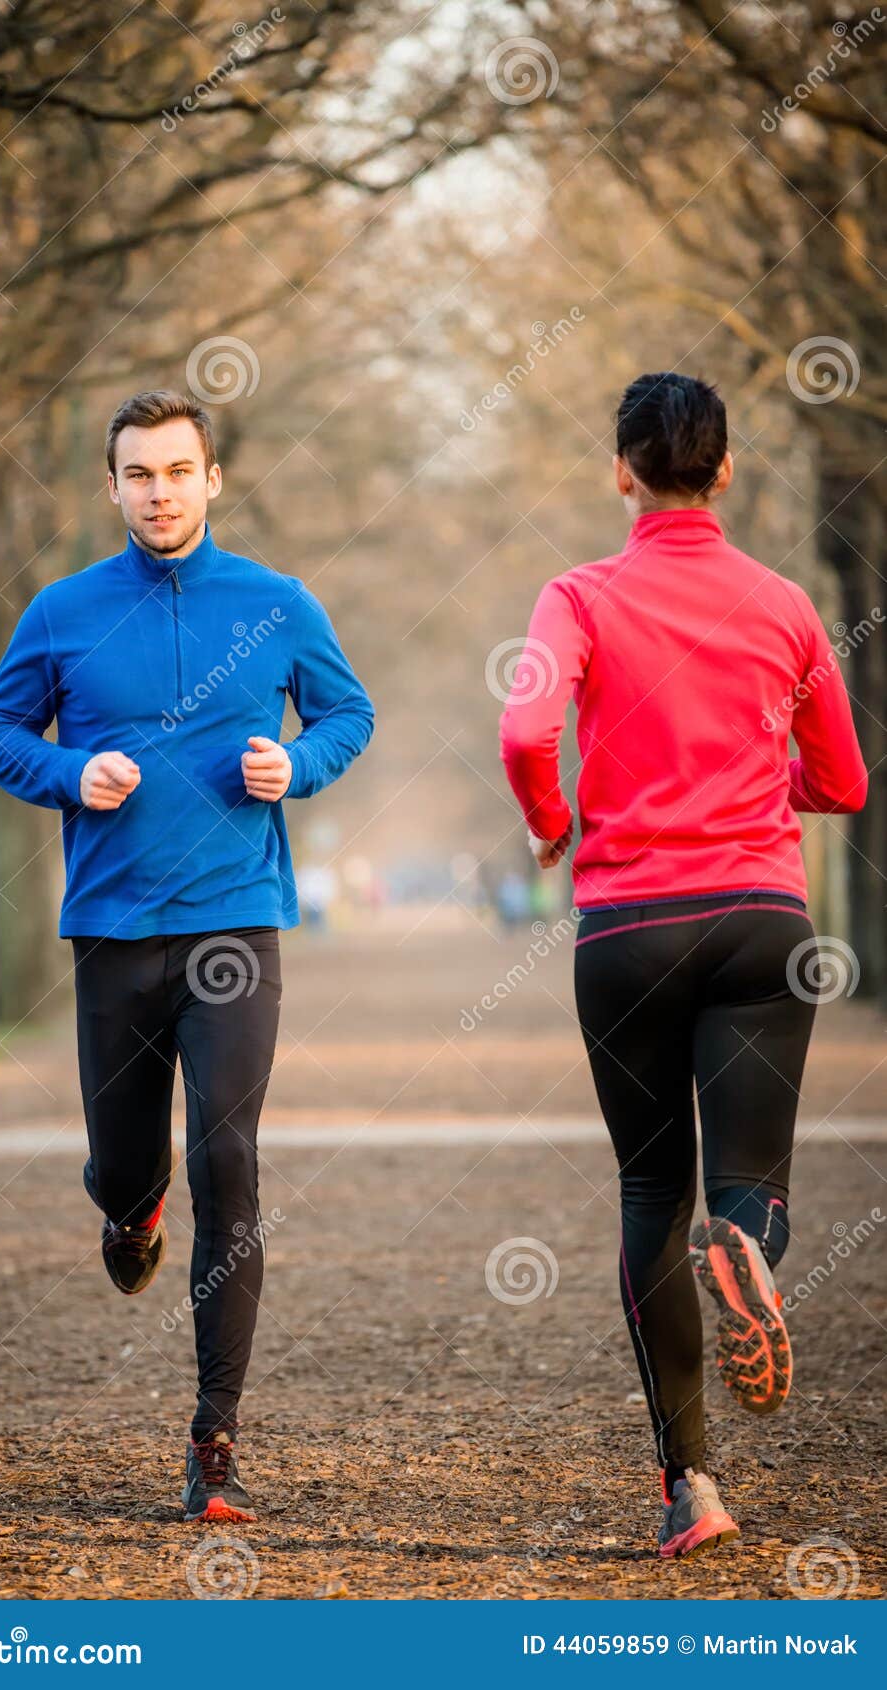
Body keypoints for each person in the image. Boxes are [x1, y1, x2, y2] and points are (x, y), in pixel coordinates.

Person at [0, 389, 374, 1524]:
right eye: (138, 475)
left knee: (229, 1160)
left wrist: (295, 765)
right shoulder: (61, 611)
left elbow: (350, 714)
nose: (159, 493)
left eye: (178, 471)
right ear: (112, 488)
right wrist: (67, 773)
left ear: (211, 478)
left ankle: (214, 1438)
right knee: (127, 1164)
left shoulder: (278, 603)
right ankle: (127, 1207)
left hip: (236, 922)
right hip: (112, 930)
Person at [498, 371, 867, 1559]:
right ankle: (748, 1242)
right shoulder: (786, 604)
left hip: (629, 927)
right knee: (745, 1184)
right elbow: (845, 781)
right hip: (764, 922)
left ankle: (692, 1486)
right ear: (723, 468)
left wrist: (553, 817)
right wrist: (773, 782)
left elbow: (522, 726)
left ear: (623, 471)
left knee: (653, 1196)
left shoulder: (579, 595)